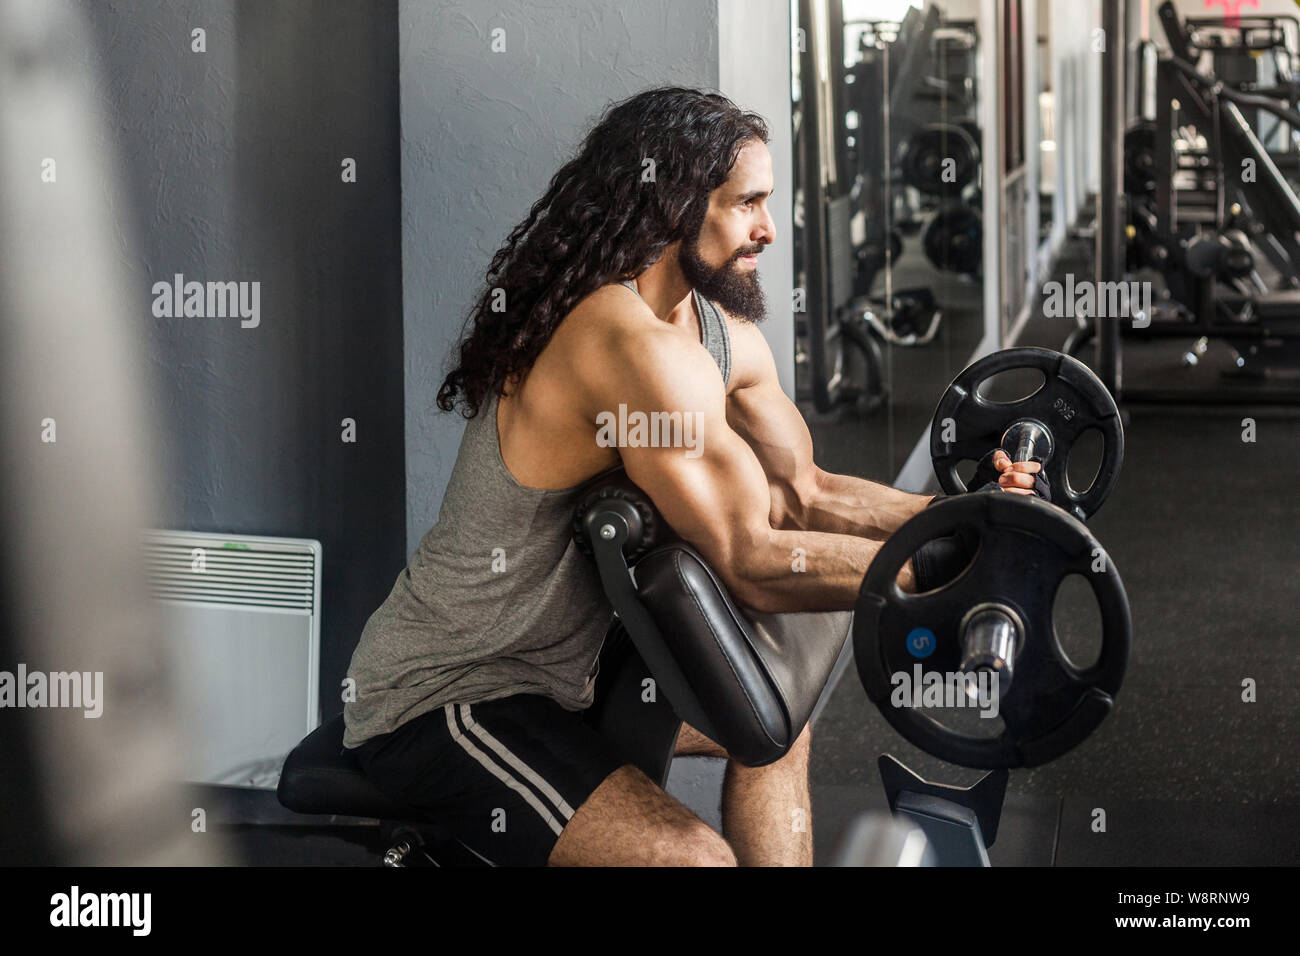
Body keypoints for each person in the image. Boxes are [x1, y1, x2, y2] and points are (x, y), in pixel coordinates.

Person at [342, 87, 1042, 867]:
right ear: (673, 205)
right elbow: (748, 561)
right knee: (694, 860)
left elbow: (810, 490)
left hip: (574, 667)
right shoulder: (620, 342)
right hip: (456, 690)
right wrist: (937, 571)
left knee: (773, 725)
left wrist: (966, 518)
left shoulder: (716, 332)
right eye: (747, 204)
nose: (768, 230)